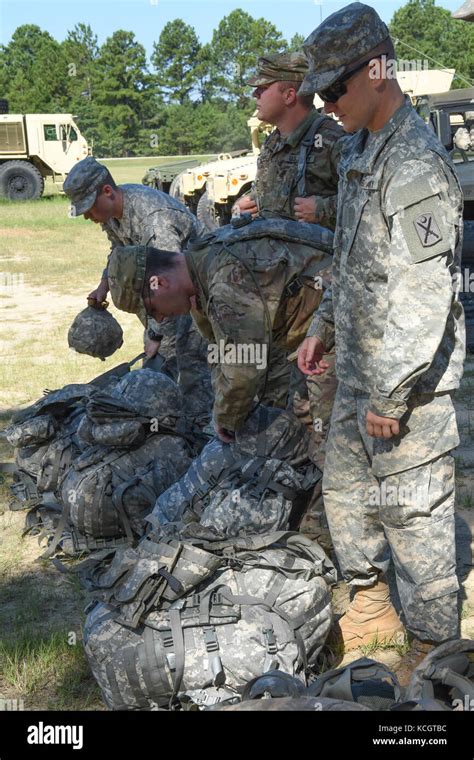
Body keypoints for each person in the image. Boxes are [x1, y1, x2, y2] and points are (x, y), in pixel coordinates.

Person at [297, 2, 465, 675]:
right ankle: (370, 605)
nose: (326, 102)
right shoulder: (360, 149)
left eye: (335, 88)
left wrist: (392, 399)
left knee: (414, 517)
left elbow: (426, 298)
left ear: (377, 69)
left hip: (407, 389)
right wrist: (323, 326)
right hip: (360, 373)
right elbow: (351, 254)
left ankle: (434, 646)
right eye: (319, 91)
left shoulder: (416, 165)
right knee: (347, 496)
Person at [105, 217, 333, 444]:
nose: (161, 317)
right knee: (291, 414)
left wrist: (226, 419)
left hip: (336, 319)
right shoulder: (198, 264)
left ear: (160, 283)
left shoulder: (224, 281)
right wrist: (223, 410)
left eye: (153, 309)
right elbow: (220, 350)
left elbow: (244, 366)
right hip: (312, 328)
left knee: (323, 431)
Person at [234, 52, 346, 468]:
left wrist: (324, 208)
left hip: (324, 297)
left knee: (322, 406)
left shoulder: (331, 139)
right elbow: (278, 208)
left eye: (262, 89)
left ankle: (328, 507)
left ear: (290, 92)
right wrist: (254, 208)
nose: (255, 96)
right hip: (282, 298)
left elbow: (368, 206)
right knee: (287, 399)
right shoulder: (273, 146)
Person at [63, 157, 213, 429]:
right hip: (167, 296)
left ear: (107, 192)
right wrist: (103, 285)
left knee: (188, 362)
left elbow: (167, 283)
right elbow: (118, 253)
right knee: (163, 360)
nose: (87, 216)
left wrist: (155, 334)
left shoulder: (153, 218)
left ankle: (197, 430)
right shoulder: (111, 214)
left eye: (89, 207)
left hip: (193, 294)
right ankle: (171, 420)